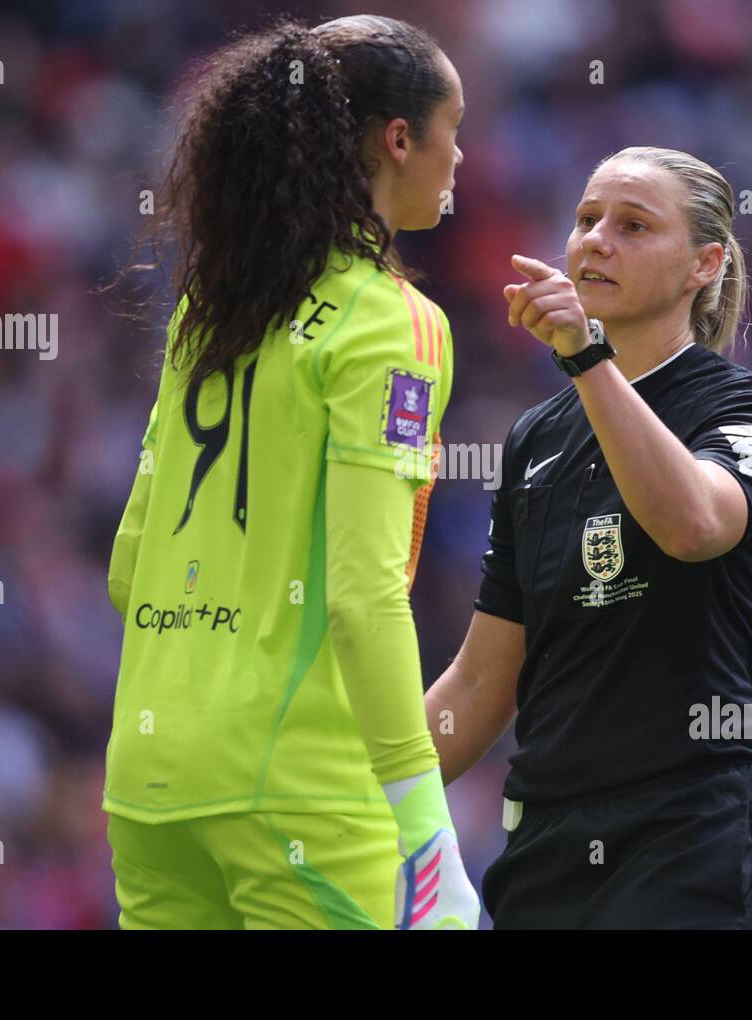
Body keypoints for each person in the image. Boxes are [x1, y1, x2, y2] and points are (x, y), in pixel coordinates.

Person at [102, 14, 477, 930]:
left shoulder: (212, 306)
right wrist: (426, 828)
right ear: (399, 140)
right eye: (452, 131)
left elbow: (127, 567)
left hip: (150, 780)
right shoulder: (393, 323)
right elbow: (361, 595)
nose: (459, 158)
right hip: (298, 791)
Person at [426, 147, 752, 929]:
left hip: (686, 841)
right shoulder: (537, 439)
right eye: (587, 219)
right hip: (545, 850)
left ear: (705, 265)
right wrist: (349, 792)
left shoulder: (742, 407)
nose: (596, 240)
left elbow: (693, 524)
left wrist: (586, 359)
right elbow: (482, 682)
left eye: (633, 225)